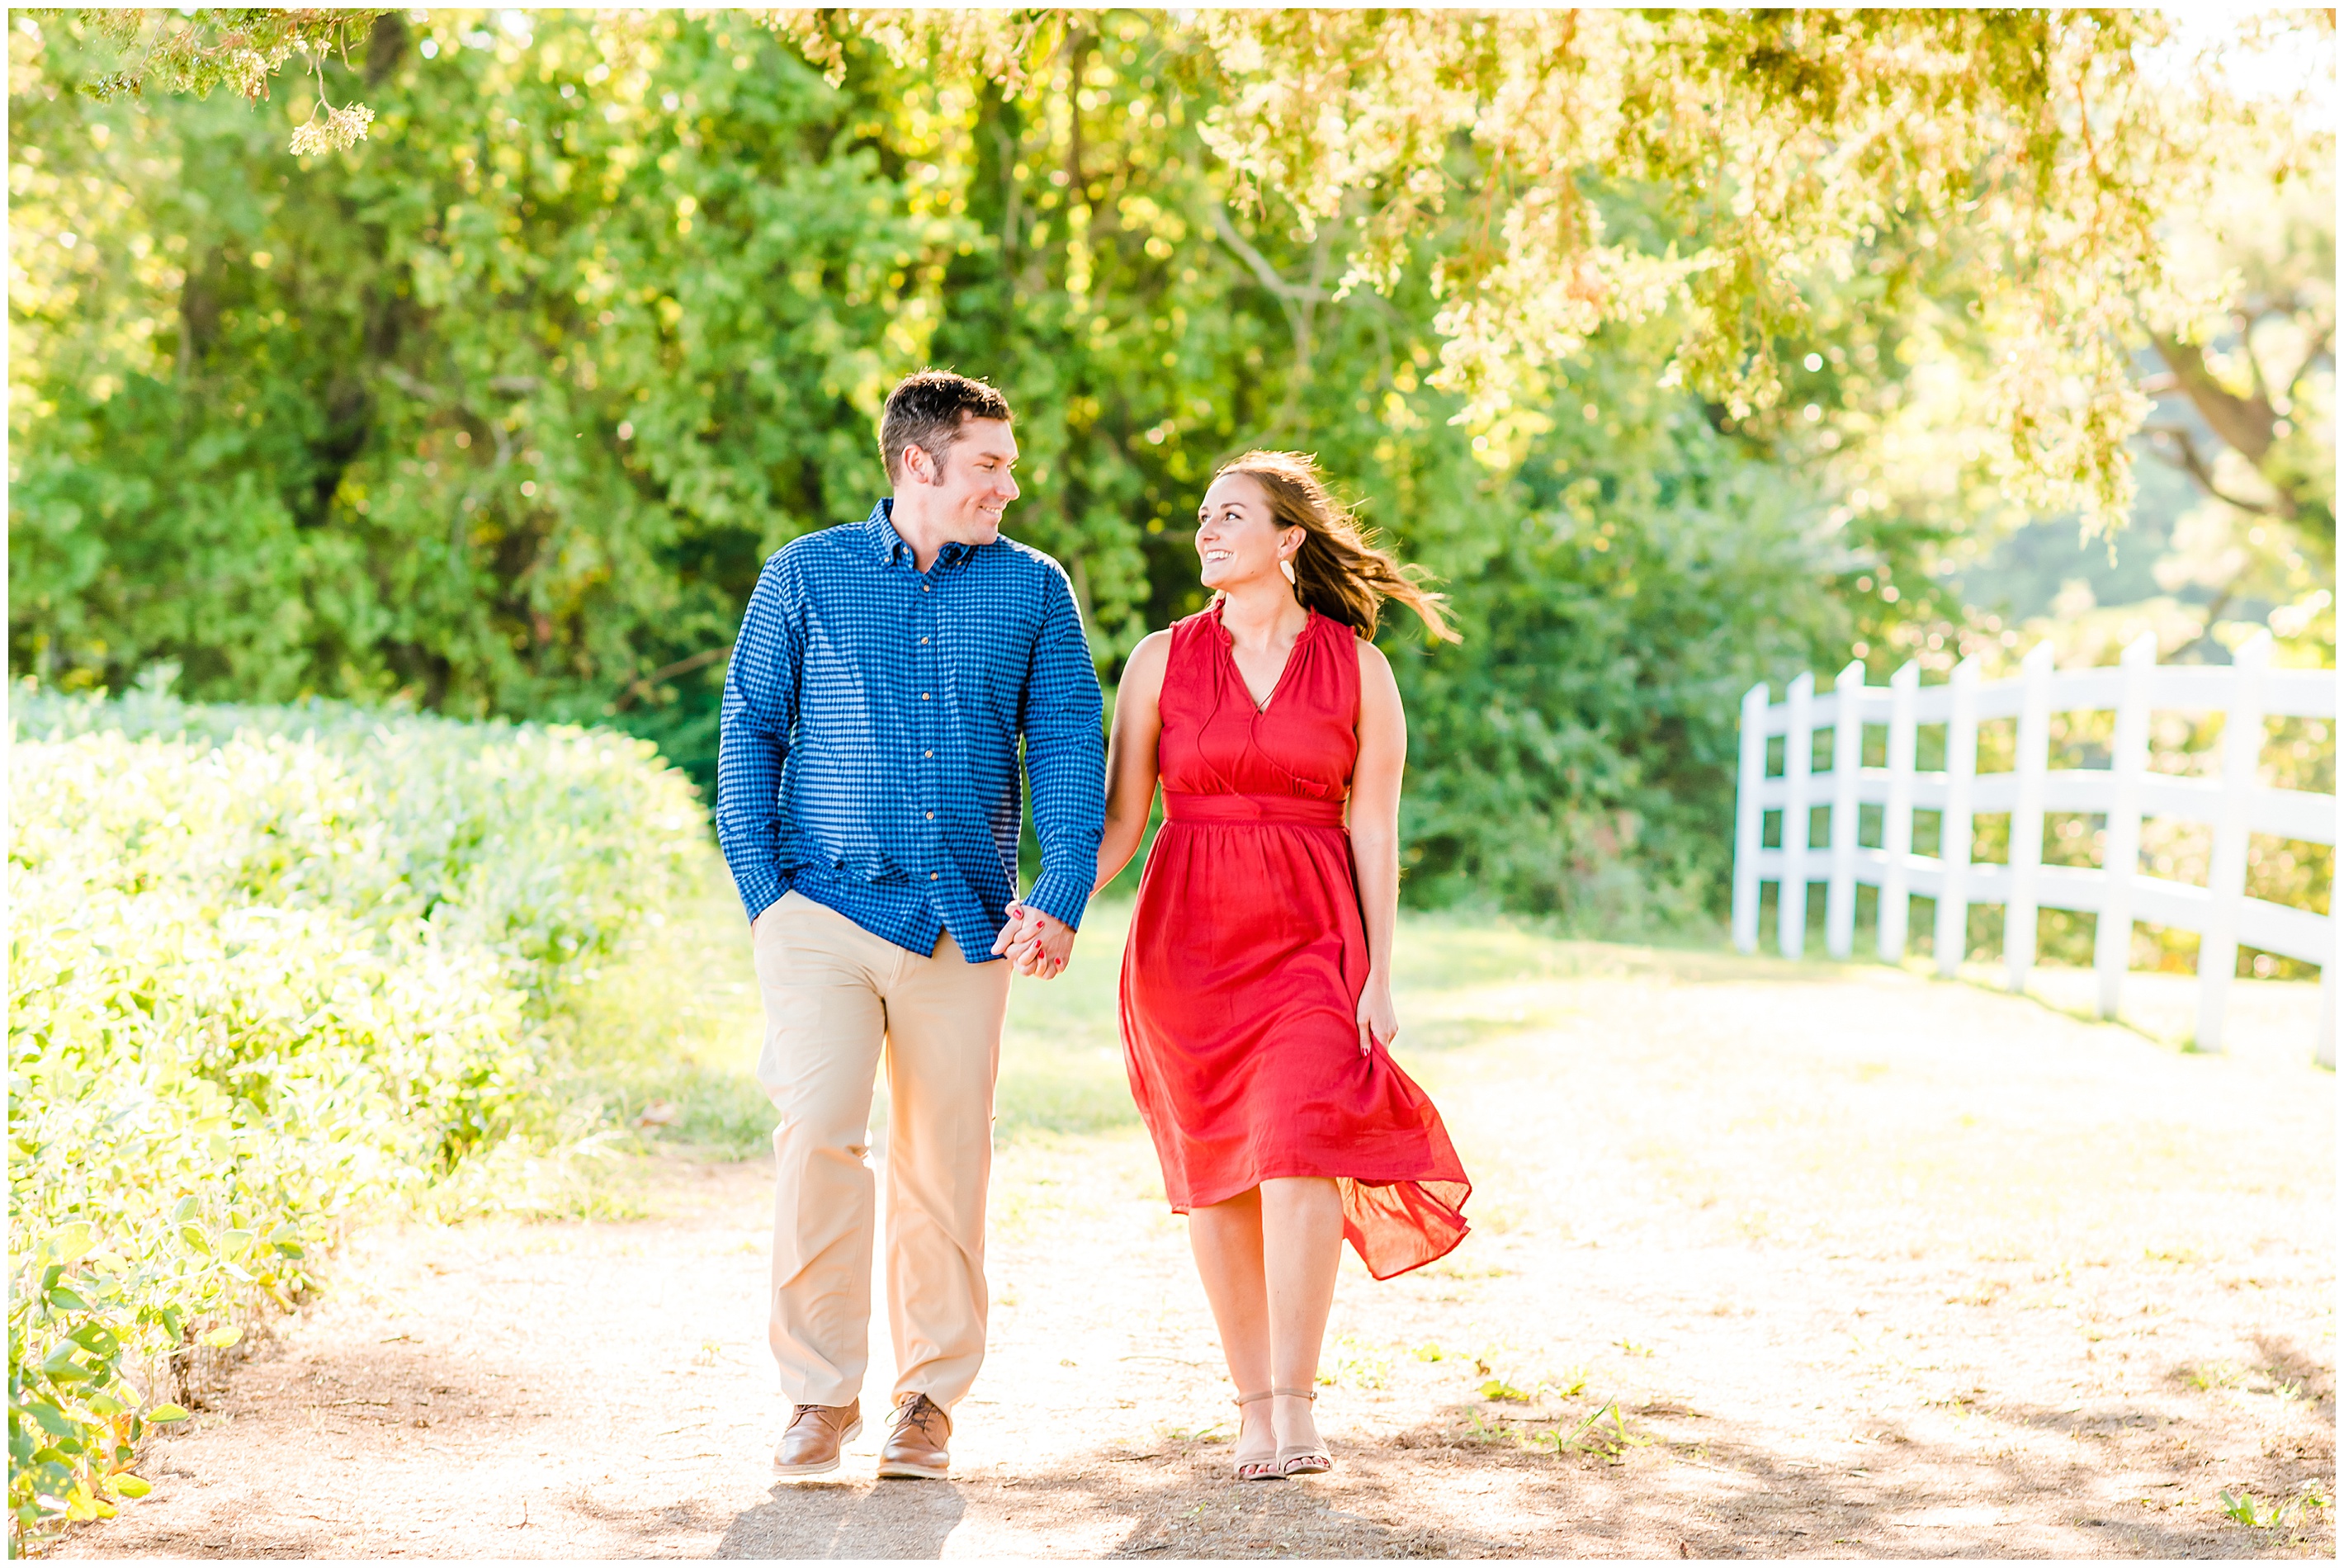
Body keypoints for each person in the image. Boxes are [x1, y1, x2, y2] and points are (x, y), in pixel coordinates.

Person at [1009, 449, 1470, 1482]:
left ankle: (1297, 1404)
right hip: (1187, 945)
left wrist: (1379, 975)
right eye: (1204, 516)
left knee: (1301, 1152)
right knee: (1218, 1178)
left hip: (1313, 938)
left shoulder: (1357, 666)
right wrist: (1058, 905)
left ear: (1287, 539)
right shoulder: (1159, 660)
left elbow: (1375, 831)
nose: (1207, 531)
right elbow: (1122, 817)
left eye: (1231, 515)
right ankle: (1252, 1406)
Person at [715, 370, 1103, 1481]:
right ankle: (816, 1399)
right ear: (917, 466)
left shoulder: (1032, 590)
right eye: (990, 464)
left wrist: (1062, 888)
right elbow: (749, 733)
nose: (1009, 486)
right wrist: (765, 895)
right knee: (820, 1136)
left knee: (947, 1160)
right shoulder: (805, 576)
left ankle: (926, 1402)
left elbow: (1069, 745)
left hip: (966, 920)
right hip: (821, 910)